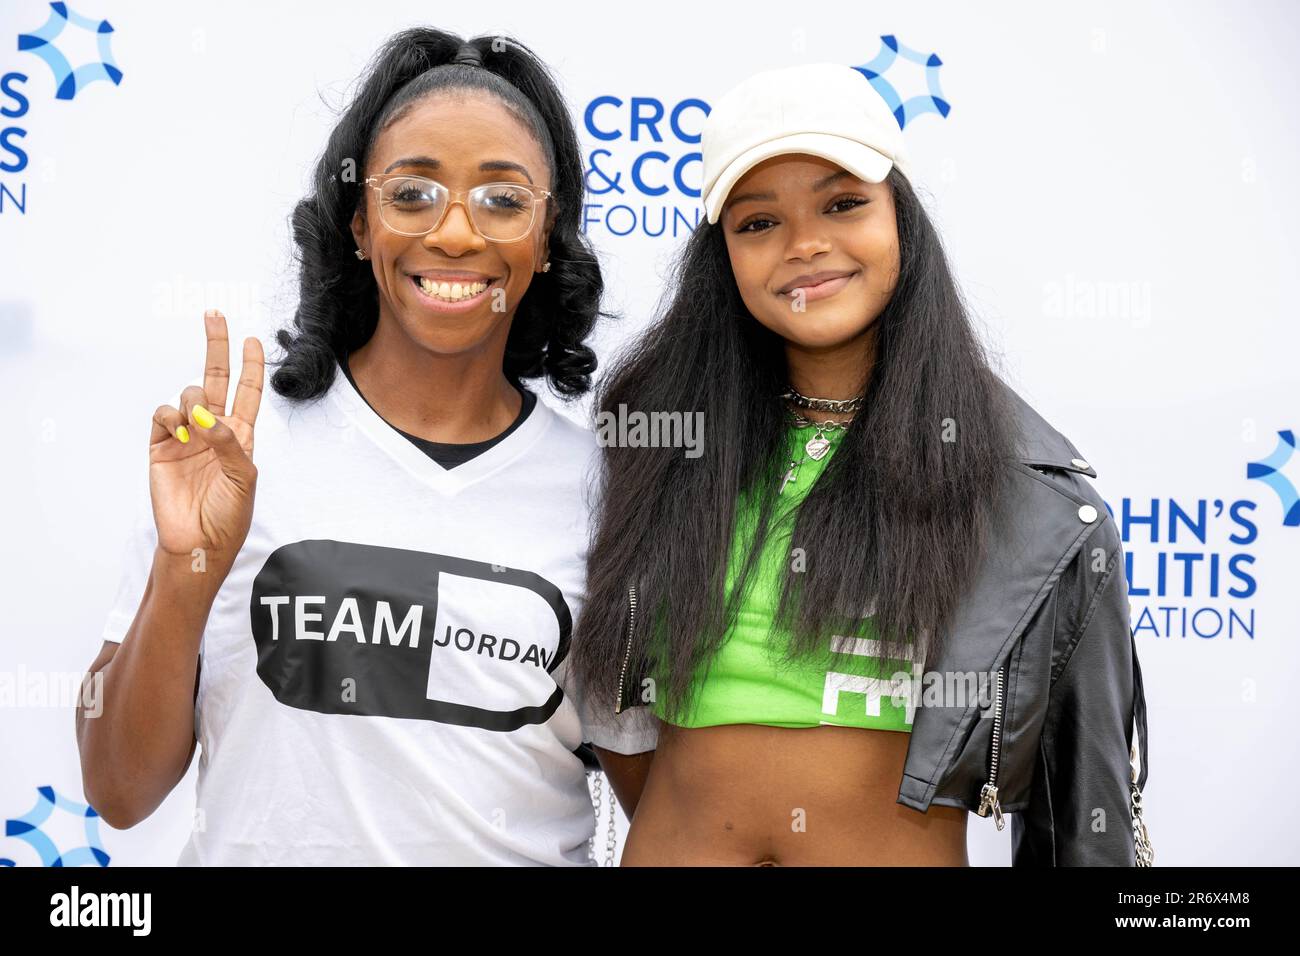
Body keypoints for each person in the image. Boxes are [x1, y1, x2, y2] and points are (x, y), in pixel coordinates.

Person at [76, 27, 656, 866]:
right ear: (358, 223)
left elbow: (671, 811)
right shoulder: (236, 456)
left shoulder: (609, 494)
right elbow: (117, 791)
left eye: (502, 199)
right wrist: (186, 569)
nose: (455, 235)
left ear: (545, 234)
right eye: (412, 193)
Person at [572, 62, 1151, 866]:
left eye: (843, 204)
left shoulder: (1029, 494)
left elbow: (1080, 811)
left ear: (903, 222)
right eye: (757, 223)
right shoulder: (668, 442)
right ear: (724, 258)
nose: (806, 245)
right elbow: (622, 726)